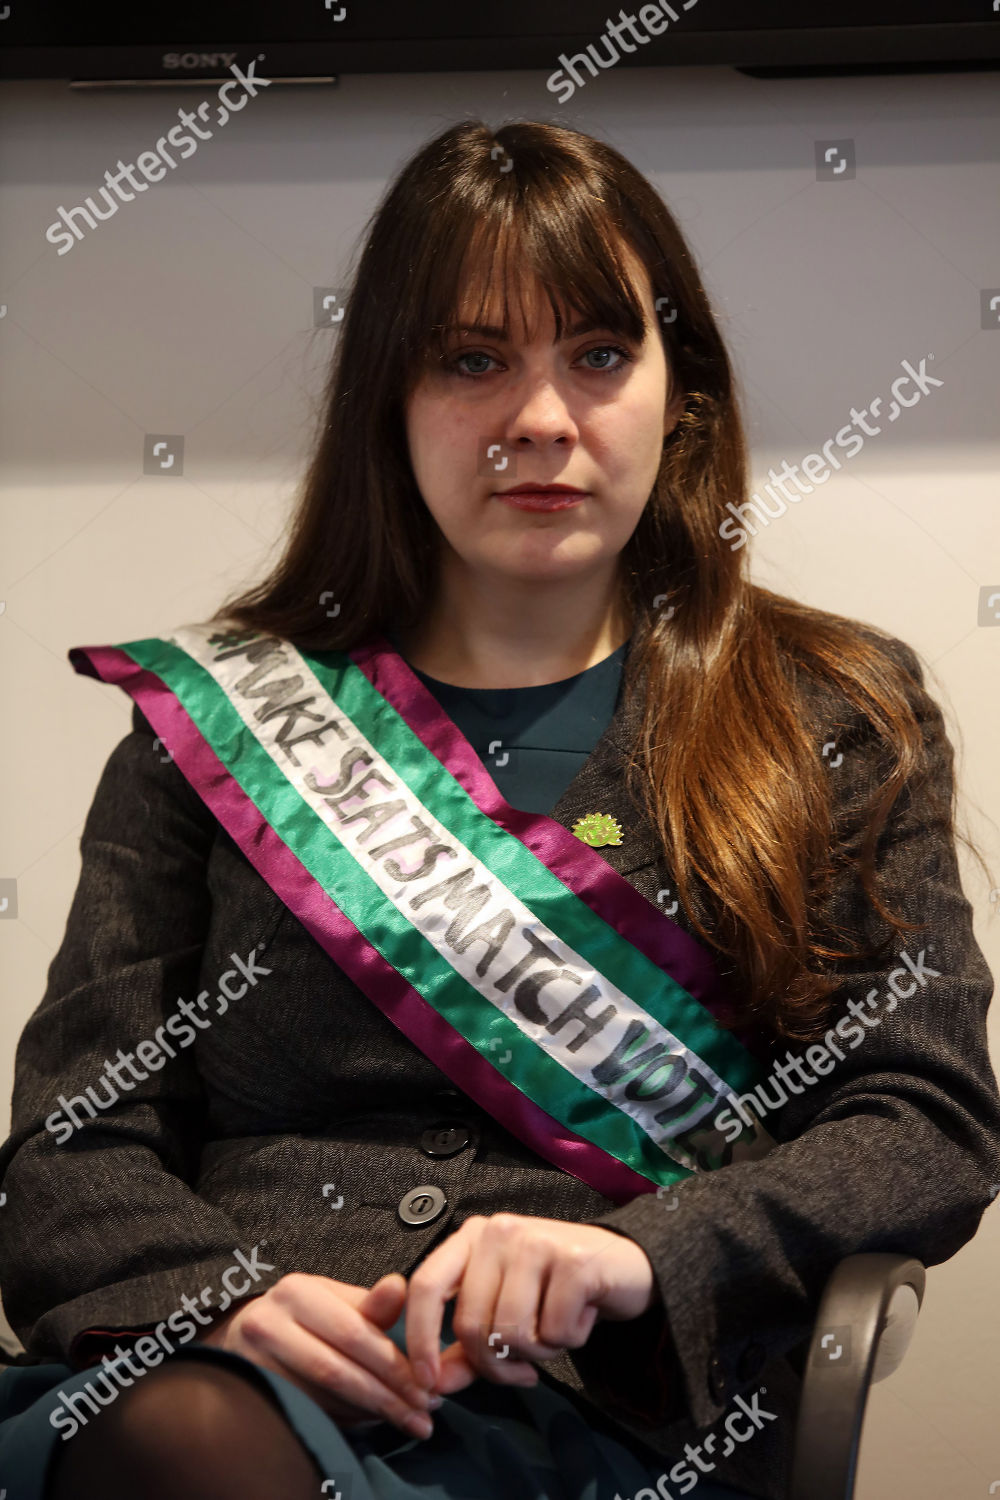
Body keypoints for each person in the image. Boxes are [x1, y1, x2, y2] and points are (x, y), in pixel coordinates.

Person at [1, 117, 999, 1500]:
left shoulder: (834, 710)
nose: (539, 419)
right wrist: (207, 1296)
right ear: (388, 403)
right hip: (221, 1388)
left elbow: (923, 1122)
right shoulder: (211, 731)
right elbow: (71, 1144)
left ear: (679, 392)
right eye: (473, 361)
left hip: (614, 1411)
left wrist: (642, 1252)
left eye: (598, 355)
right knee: (180, 1438)